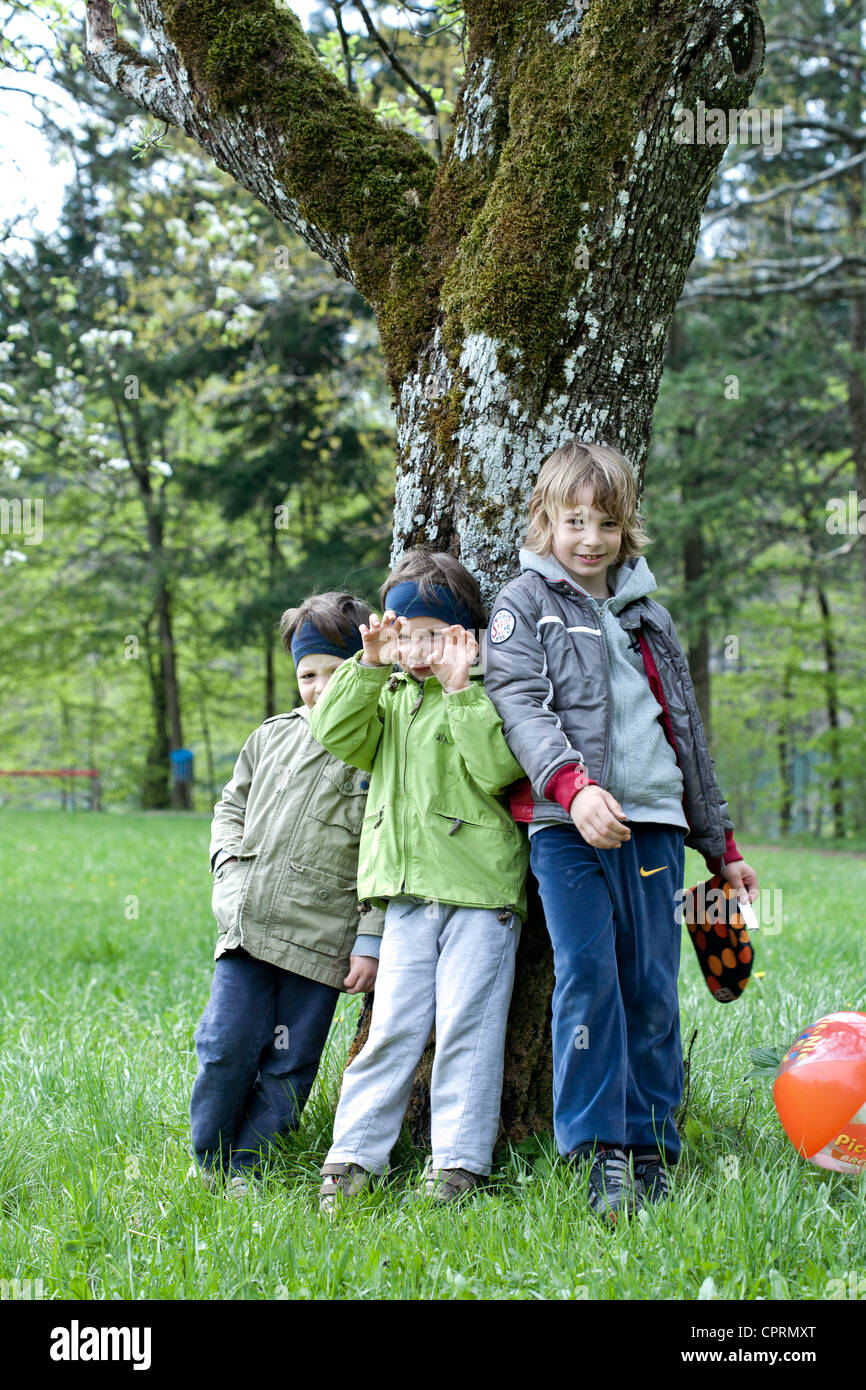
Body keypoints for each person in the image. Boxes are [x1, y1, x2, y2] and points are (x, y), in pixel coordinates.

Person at [483, 439, 759, 1221]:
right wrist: (573, 789)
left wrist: (722, 847)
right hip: (569, 828)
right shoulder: (523, 604)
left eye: (607, 522)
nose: (591, 539)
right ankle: (601, 1147)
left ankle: (651, 1145)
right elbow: (520, 706)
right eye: (574, 520)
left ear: (627, 526)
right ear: (546, 519)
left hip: (657, 828)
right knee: (589, 978)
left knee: (649, 987)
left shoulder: (649, 616)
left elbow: (689, 736)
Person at [308, 549, 529, 1209]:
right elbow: (335, 734)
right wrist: (368, 664)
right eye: (406, 634)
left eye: (434, 634)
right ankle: (351, 1158)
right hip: (407, 898)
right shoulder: (390, 695)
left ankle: (457, 1165)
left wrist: (461, 691)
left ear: (465, 635)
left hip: (480, 896)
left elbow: (499, 769)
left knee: (469, 1027)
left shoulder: (486, 690)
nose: (419, 648)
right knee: (393, 1029)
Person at [188, 592, 384, 1195]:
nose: (320, 688)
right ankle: (210, 1158)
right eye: (307, 674)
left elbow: (387, 848)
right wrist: (227, 866)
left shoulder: (377, 751)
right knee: (225, 1047)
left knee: (290, 1064)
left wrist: (369, 938)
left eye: (336, 672)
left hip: (323, 941)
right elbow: (230, 806)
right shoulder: (271, 737)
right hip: (249, 927)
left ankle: (249, 1164)